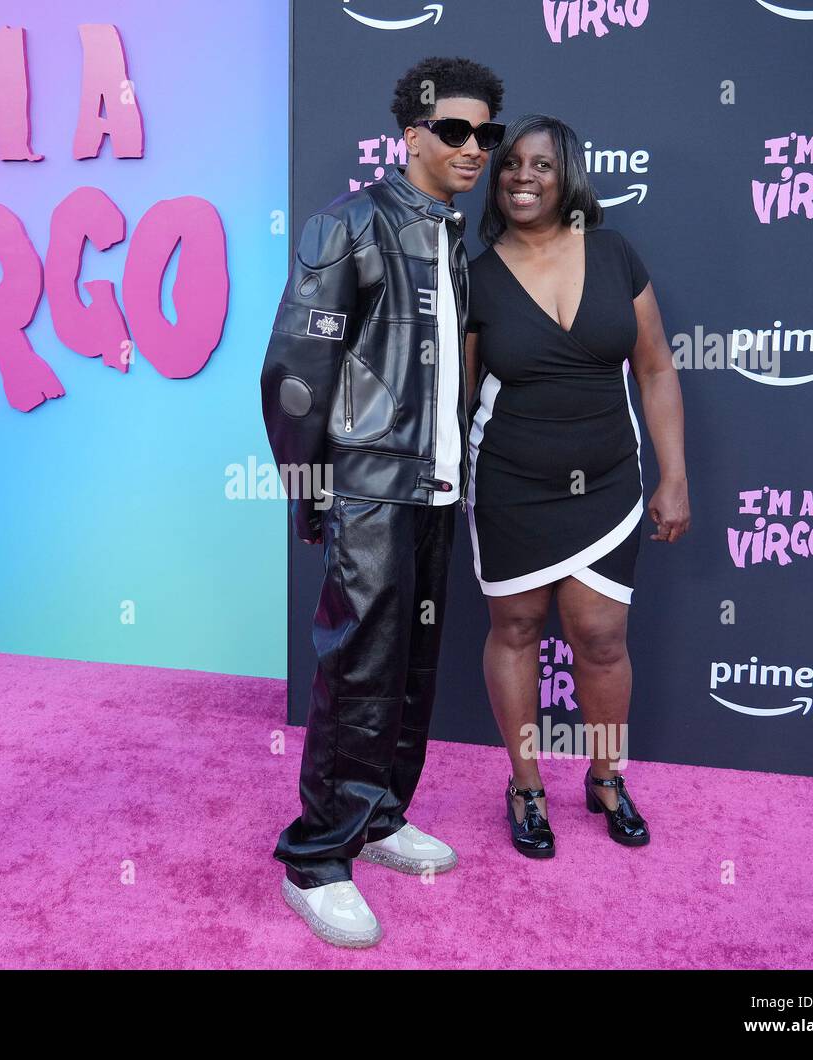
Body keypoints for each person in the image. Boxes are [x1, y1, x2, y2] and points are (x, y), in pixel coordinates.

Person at [259, 56, 504, 946]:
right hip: (368, 485)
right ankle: (318, 858)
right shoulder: (348, 226)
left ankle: (381, 816)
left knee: (413, 664)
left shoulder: (451, 240)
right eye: (455, 131)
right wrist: (310, 485)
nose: (475, 148)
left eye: (488, 134)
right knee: (359, 667)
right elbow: (294, 378)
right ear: (411, 135)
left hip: (436, 487)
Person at [463, 114, 690, 859]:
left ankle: (607, 776)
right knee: (518, 630)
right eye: (510, 166)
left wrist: (673, 476)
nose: (522, 177)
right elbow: (461, 399)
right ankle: (526, 783)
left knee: (599, 637)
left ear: (569, 179)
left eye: (542, 166)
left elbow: (655, 367)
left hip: (608, 485)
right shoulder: (477, 272)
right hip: (510, 486)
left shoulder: (616, 253)